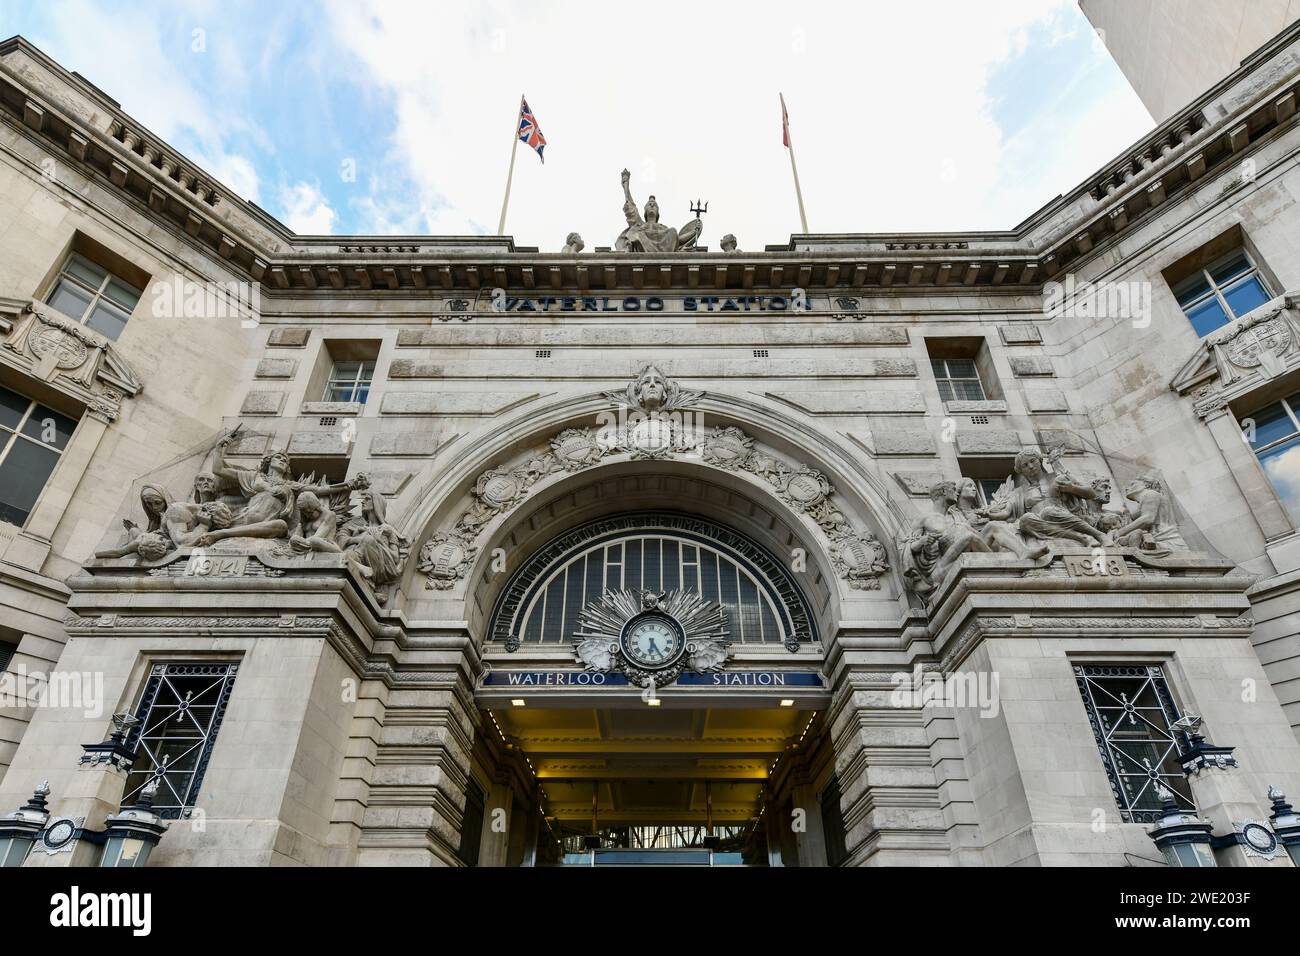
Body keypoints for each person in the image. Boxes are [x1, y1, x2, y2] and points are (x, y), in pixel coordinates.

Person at [984, 449, 1111, 547]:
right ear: (1021, 471)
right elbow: (1006, 512)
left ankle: (1098, 534)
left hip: (1061, 515)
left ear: (1039, 460)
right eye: (1025, 465)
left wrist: (1072, 488)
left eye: (1033, 461)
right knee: (1025, 519)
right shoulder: (1019, 492)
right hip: (1039, 523)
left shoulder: (1057, 477)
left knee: (1048, 511)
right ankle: (1082, 537)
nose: (1030, 466)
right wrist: (988, 514)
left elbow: (1091, 494)